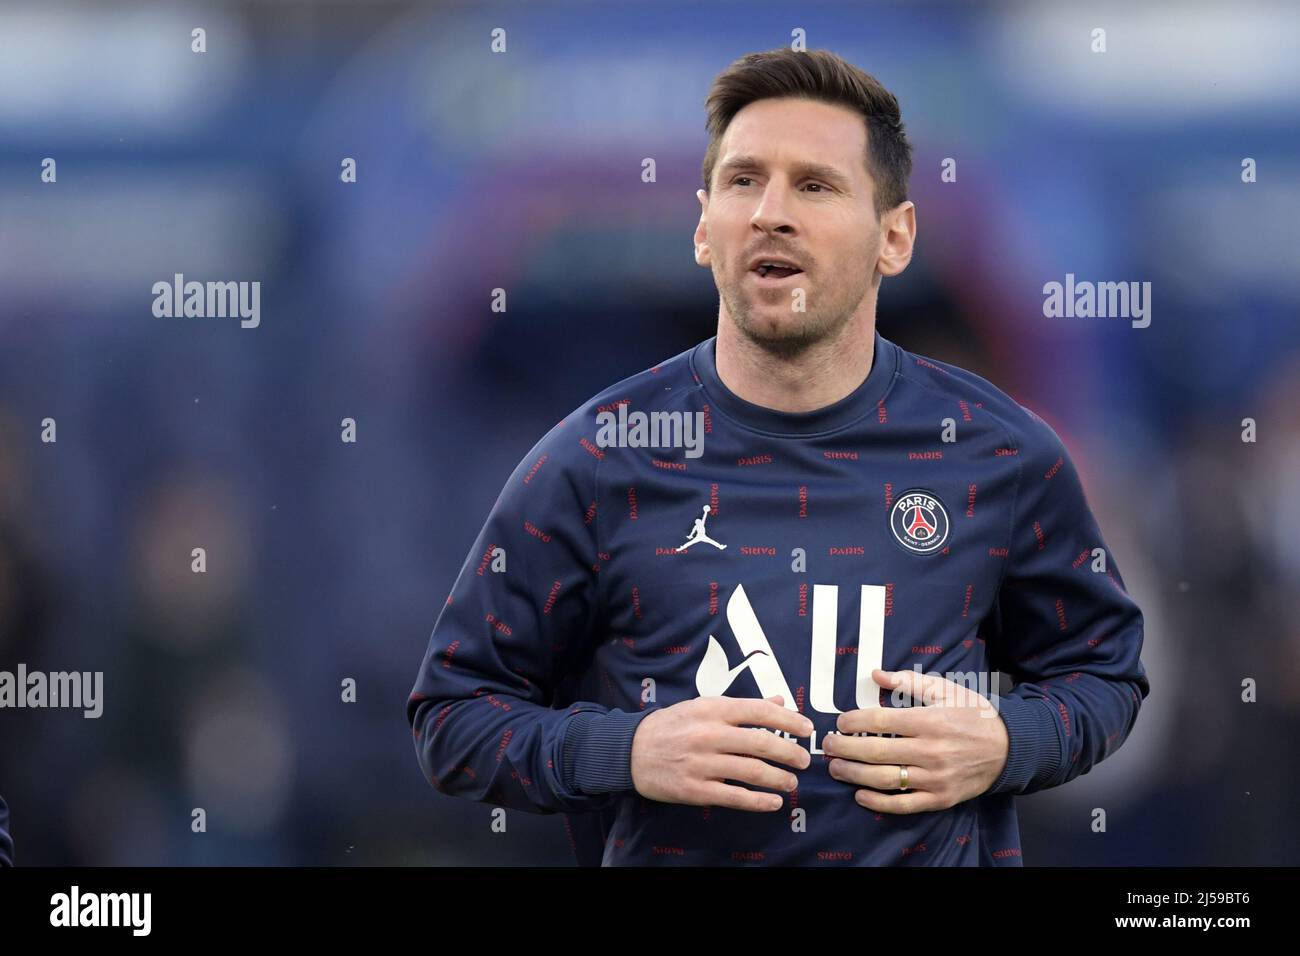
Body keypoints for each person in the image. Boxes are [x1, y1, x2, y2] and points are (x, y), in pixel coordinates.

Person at [407, 47, 1150, 865]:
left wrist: (1007, 741)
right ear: (701, 227)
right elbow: (453, 717)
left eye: (815, 185)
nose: (770, 213)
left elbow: (1106, 677)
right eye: (742, 181)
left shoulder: (999, 453)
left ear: (894, 238)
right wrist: (627, 752)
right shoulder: (595, 457)